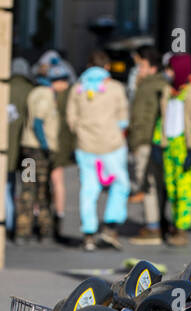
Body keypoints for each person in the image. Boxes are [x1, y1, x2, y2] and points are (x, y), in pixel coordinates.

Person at [66, 50, 130, 251]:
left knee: (89, 188)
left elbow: (70, 118)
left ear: (87, 66)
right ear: (107, 67)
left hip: (86, 146)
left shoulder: (77, 88)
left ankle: (89, 234)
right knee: (121, 184)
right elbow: (123, 119)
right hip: (112, 145)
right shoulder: (116, 88)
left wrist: (81, 131)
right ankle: (110, 226)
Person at [155, 53, 191, 247]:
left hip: (185, 147)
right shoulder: (168, 91)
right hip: (169, 146)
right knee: (172, 189)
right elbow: (162, 119)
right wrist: (158, 143)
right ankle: (175, 224)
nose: (167, 73)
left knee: (185, 190)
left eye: (170, 69)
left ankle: (182, 229)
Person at [127, 45, 169, 245]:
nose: (139, 69)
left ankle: (153, 228)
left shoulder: (149, 86)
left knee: (148, 184)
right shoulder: (158, 84)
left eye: (142, 65)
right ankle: (157, 223)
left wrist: (135, 142)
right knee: (155, 184)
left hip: (145, 140)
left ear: (152, 67)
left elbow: (140, 118)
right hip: (153, 141)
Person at [16, 65, 63, 243]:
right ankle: (45, 231)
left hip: (27, 148)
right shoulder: (46, 94)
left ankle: (22, 231)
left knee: (27, 189)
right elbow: (38, 122)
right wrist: (44, 145)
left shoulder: (34, 92)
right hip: (38, 151)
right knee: (42, 190)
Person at [6, 57, 33, 239]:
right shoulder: (32, 91)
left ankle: (8, 224)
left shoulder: (4, 89)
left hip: (6, 149)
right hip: (29, 152)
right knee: (27, 187)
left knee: (6, 186)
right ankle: (24, 228)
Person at [49, 64, 76, 237]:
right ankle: (58, 215)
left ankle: (57, 215)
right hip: (64, 144)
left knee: (55, 179)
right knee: (58, 180)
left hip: (54, 144)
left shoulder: (52, 96)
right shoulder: (72, 94)